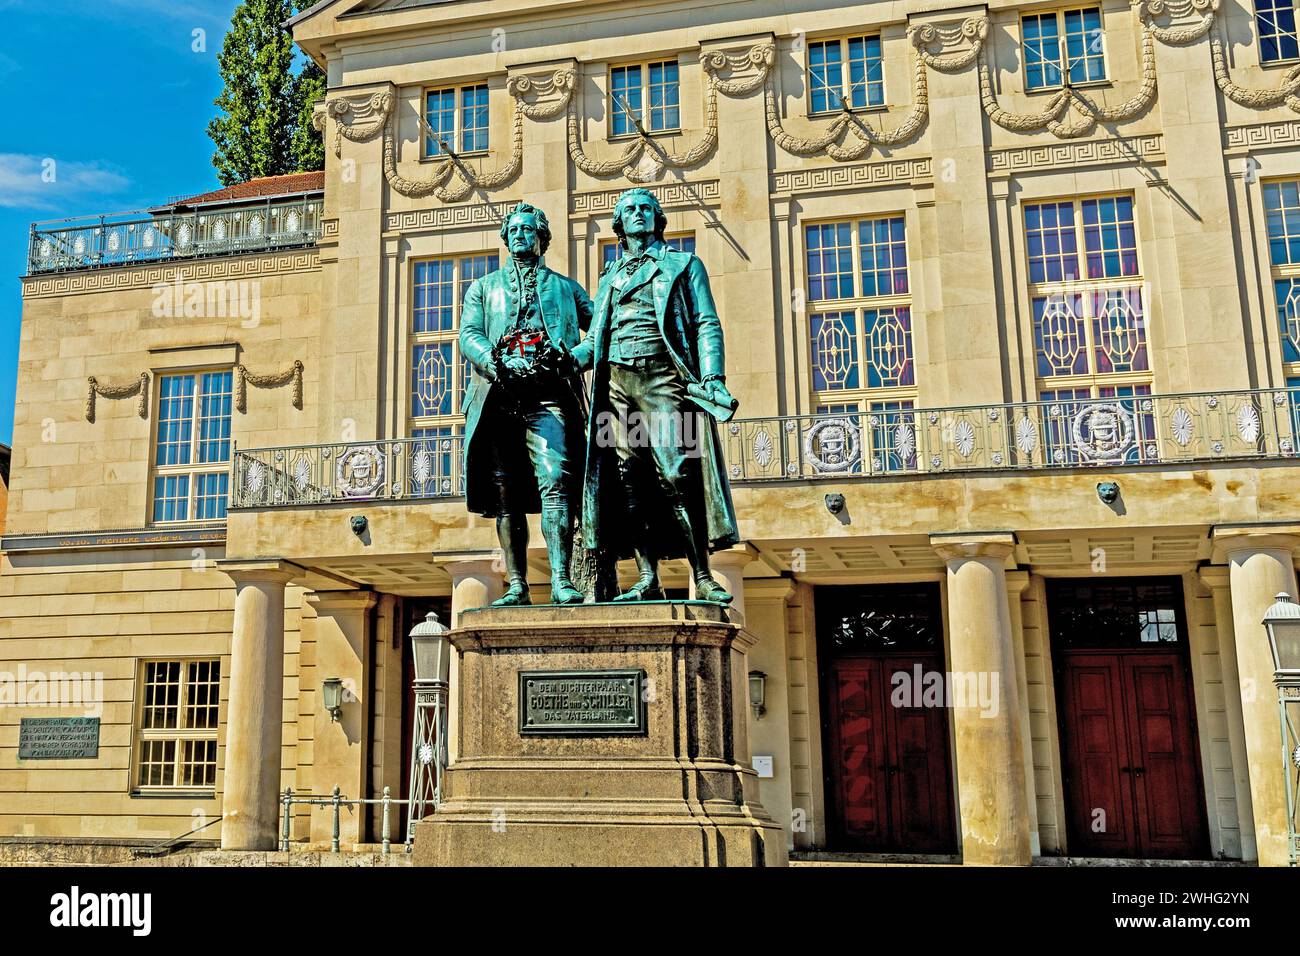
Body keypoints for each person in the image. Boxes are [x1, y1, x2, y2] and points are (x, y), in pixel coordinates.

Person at [573, 188, 739, 603]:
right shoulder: (610, 276)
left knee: (676, 474)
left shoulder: (684, 264)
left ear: (657, 218)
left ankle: (701, 574)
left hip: (663, 377)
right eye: (629, 209)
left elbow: (705, 323)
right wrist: (559, 362)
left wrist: (712, 374)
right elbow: (593, 341)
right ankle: (648, 576)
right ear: (619, 224)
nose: (639, 214)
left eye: (646, 208)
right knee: (631, 481)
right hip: (616, 384)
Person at [460, 202, 592, 605]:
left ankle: (562, 580)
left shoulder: (566, 288)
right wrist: (495, 360)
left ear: (542, 238)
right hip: (499, 398)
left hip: (550, 394)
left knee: (556, 480)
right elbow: (469, 334)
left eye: (528, 230)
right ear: (505, 237)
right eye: (514, 230)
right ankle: (516, 584)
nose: (520, 235)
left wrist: (571, 358)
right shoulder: (483, 287)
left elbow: (600, 332)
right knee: (507, 493)